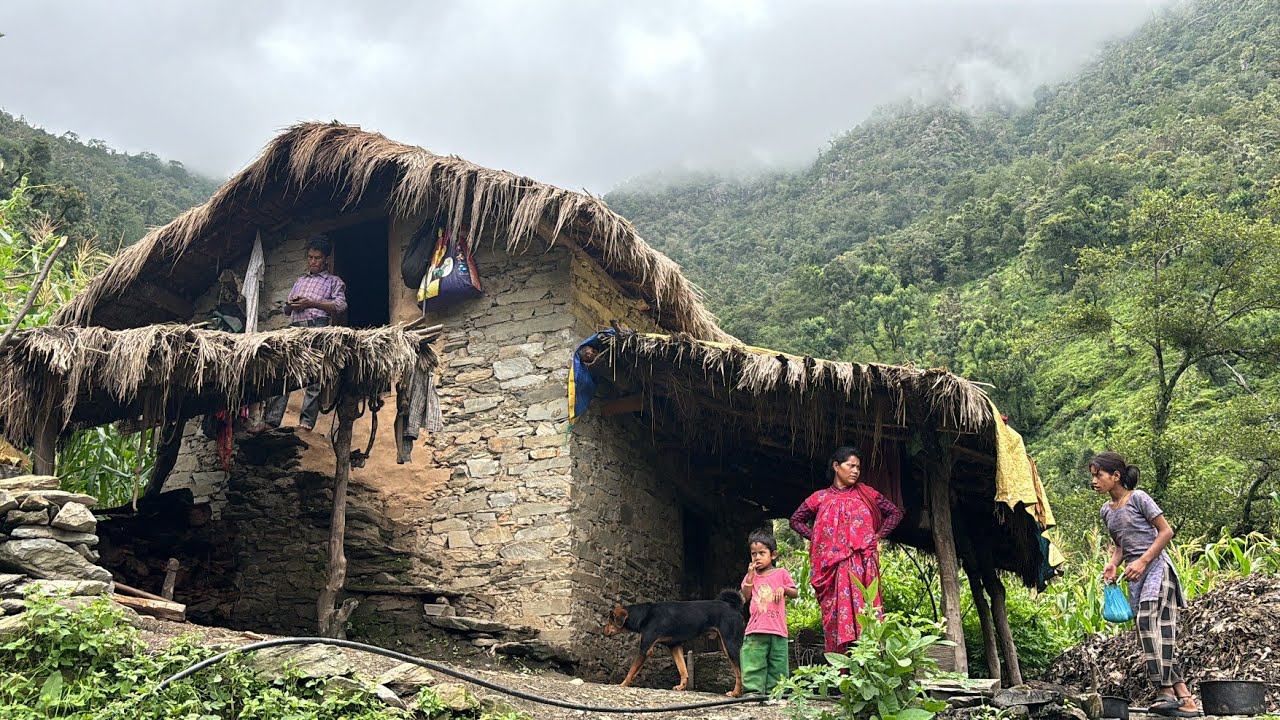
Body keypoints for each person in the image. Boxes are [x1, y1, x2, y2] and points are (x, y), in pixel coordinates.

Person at [1092, 451, 1201, 718]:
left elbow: (1166, 532)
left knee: (1147, 623)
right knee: (1156, 634)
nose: (1094, 481)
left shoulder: (1138, 498)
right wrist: (1113, 564)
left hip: (1157, 571)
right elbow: (1121, 544)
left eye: (1099, 475)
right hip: (1135, 577)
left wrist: (1142, 561)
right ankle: (1184, 698)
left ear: (1116, 476)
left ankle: (1165, 690)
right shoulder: (1107, 511)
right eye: (1092, 476)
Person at [790, 446, 903, 654]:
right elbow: (795, 520)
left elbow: (895, 513)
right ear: (836, 466)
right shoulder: (820, 498)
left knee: (867, 614)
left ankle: (868, 667)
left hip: (863, 568)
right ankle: (841, 672)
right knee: (835, 620)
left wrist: (876, 537)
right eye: (850, 465)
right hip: (832, 572)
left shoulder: (867, 494)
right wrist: (818, 540)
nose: (855, 471)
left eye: (858, 467)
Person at [254, 235, 348, 433]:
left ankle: (306, 422)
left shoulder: (334, 281)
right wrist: (292, 304)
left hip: (318, 328)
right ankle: (271, 420)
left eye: (317, 258)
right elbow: (287, 310)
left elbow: (340, 306)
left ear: (326, 260)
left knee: (314, 376)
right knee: (284, 373)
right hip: (295, 328)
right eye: (310, 257)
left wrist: (310, 303)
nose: (312, 261)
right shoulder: (300, 280)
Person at [740, 527, 799, 695]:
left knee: (778, 664)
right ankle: (753, 693)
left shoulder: (781, 573)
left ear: (772, 555)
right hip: (756, 629)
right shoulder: (751, 576)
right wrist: (750, 578)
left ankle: (777, 694)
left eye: (761, 553)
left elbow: (795, 593)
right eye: (753, 554)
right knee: (753, 662)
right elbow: (746, 596)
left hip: (778, 630)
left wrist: (784, 589)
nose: (757, 557)